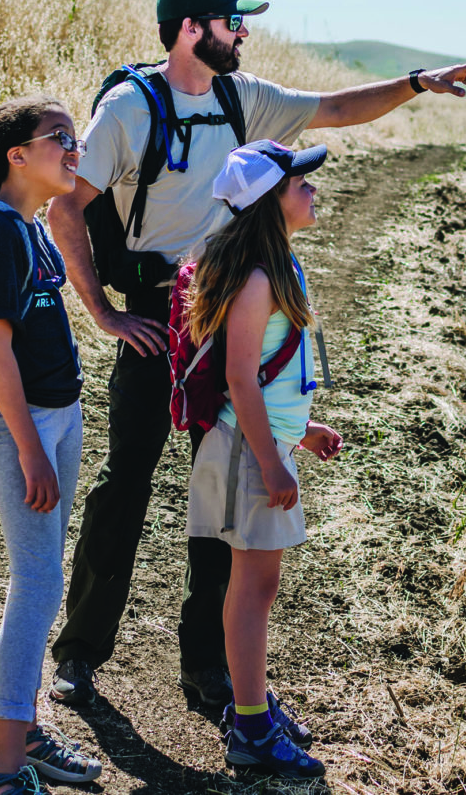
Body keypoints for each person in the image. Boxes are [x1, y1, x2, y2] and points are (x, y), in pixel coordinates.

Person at [47, 0, 466, 710]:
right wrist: (104, 313)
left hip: (224, 323)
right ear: (192, 28)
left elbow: (337, 108)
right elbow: (68, 208)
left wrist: (419, 81)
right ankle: (80, 653)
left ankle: (209, 671)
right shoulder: (129, 107)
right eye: (231, 20)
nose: (243, 31)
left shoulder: (240, 97)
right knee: (124, 488)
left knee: (222, 497)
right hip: (154, 322)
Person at [184, 140, 342, 773]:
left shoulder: (278, 267)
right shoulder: (257, 279)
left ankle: (252, 707)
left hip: (265, 444)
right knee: (252, 591)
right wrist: (273, 461)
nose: (312, 191)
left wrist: (301, 433)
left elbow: (273, 379)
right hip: (250, 452)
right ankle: (250, 728)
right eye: (300, 183)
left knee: (257, 587)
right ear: (268, 202)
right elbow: (241, 379)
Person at [0, 97, 104, 794]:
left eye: (75, 136)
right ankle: (6, 767)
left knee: (44, 572)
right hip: (27, 428)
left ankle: (24, 729)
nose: (73, 148)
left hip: (59, 418)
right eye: (59, 137)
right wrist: (31, 449)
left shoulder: (33, 228)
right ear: (16, 154)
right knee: (39, 581)